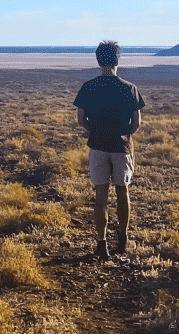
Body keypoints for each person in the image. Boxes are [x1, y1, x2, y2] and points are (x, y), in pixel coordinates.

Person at [73, 40, 145, 259]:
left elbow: (80, 120)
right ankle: (122, 240)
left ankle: (101, 243)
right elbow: (136, 123)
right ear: (117, 59)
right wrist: (123, 134)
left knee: (101, 193)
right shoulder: (129, 87)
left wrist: (96, 131)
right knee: (122, 190)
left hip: (98, 145)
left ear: (98, 60)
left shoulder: (89, 87)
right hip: (122, 146)